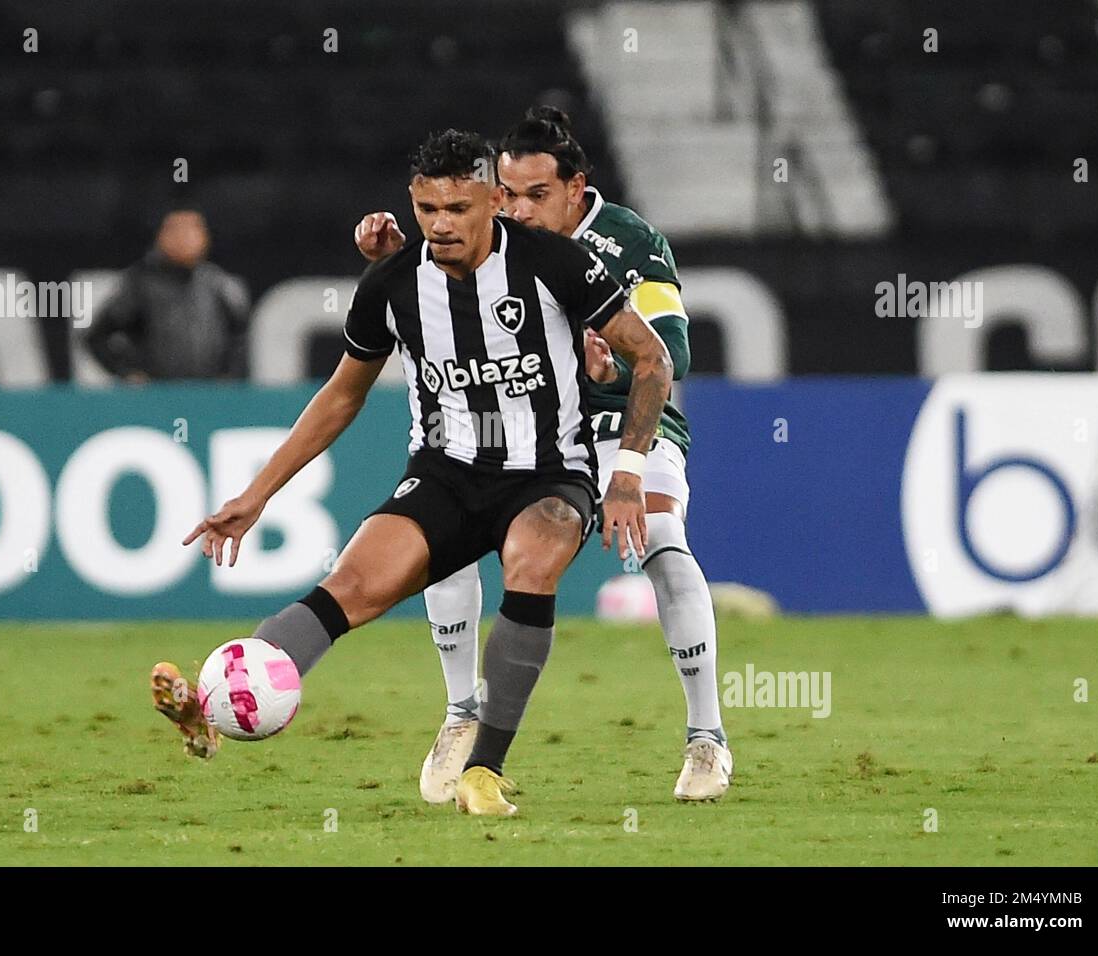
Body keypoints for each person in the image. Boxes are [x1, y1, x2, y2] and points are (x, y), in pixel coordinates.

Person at [155, 129, 673, 816]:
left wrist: (628, 476)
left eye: (458, 208)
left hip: (548, 472)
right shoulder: (394, 284)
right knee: (350, 588)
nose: (442, 225)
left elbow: (654, 358)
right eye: (428, 209)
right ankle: (214, 709)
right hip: (447, 476)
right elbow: (342, 394)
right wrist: (256, 495)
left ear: (493, 200)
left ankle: (482, 770)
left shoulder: (555, 263)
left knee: (532, 557)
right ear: (412, 202)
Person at [354, 106, 731, 803]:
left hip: (619, 421)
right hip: (518, 426)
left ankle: (707, 738)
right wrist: (388, 258)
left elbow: (668, 356)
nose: (517, 209)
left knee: (665, 539)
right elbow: (433, 298)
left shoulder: (629, 242)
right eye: (507, 192)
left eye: (535, 195)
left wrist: (610, 373)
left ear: (576, 188)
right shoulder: (492, 238)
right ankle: (461, 716)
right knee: (446, 537)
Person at [84, 205, 250, 381]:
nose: (185, 237)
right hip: (158, 397)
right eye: (176, 229)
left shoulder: (217, 283)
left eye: (194, 228)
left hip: (207, 397)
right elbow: (97, 337)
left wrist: (229, 376)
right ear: (160, 236)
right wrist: (127, 373)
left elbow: (240, 337)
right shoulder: (141, 282)